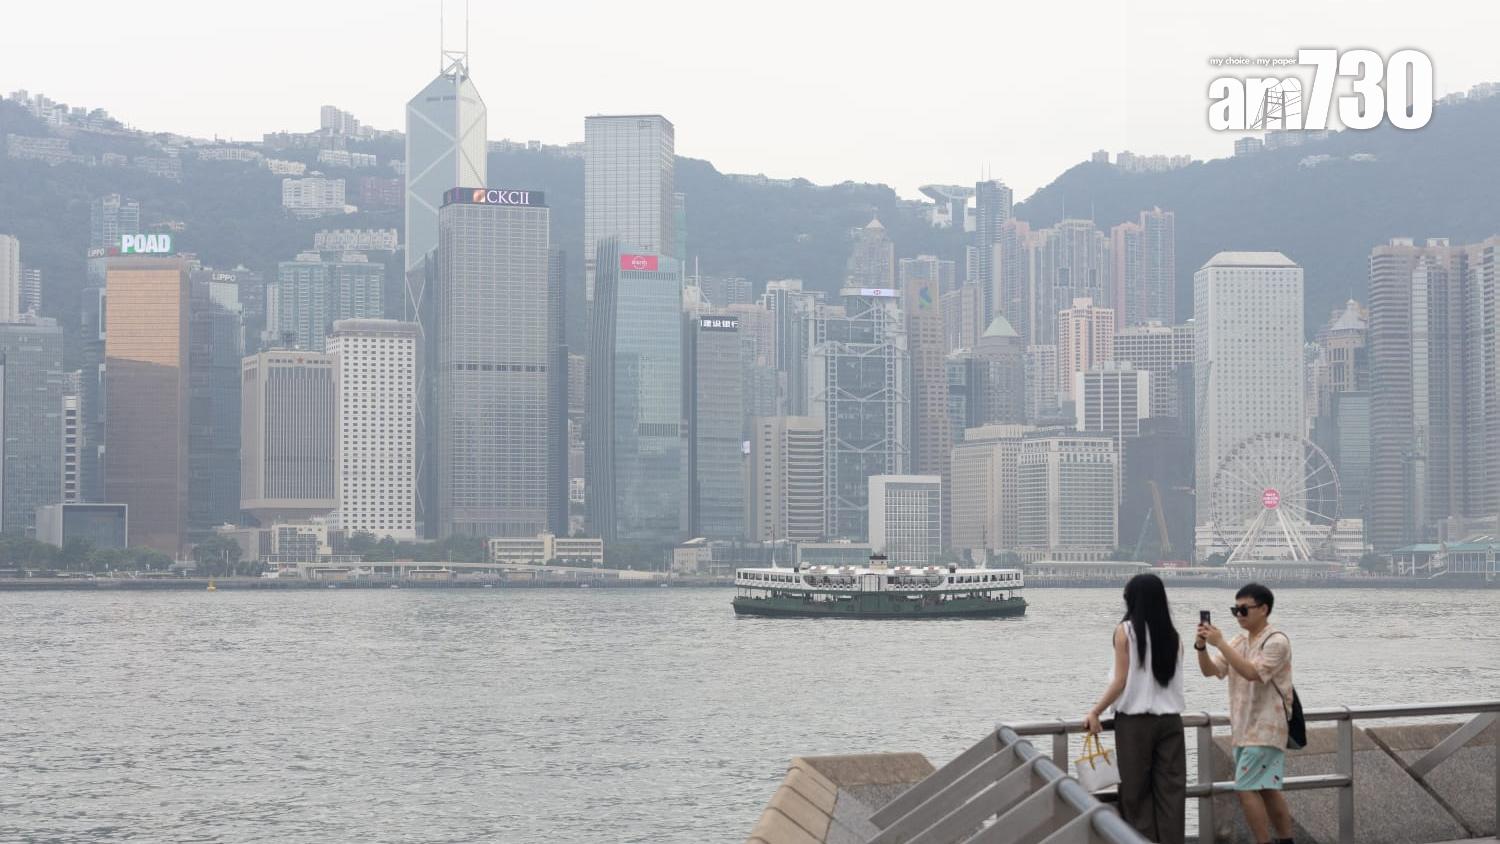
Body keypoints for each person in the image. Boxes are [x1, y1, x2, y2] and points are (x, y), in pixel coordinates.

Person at [1084, 573, 1186, 844]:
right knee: (1171, 792)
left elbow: (1120, 681)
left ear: (1132, 599)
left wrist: (1095, 711)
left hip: (1135, 723)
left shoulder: (1125, 631)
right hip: (1171, 722)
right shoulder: (1173, 636)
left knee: (1135, 792)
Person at [1197, 583, 1296, 844]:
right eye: (1235, 610)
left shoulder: (1276, 641)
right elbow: (1211, 671)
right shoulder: (1239, 641)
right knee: (1268, 789)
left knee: (1245, 788)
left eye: (1244, 609)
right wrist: (1202, 647)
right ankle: (1286, 840)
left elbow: (1252, 673)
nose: (1239, 615)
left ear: (1263, 609)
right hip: (1243, 729)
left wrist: (1220, 643)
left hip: (1267, 727)